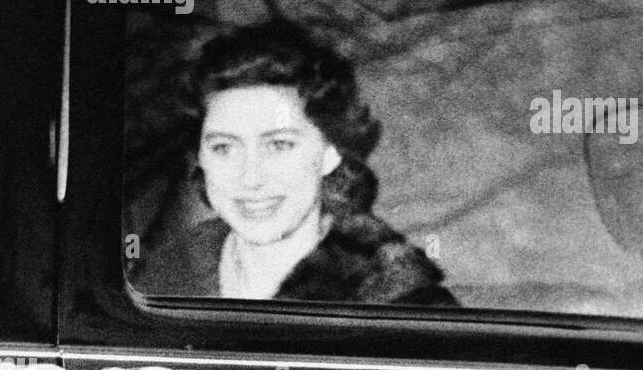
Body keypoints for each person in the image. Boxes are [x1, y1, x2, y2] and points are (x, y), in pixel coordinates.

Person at [135, 19, 455, 306]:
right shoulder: (157, 280)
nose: (250, 178)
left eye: (279, 144)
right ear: (200, 157)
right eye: (223, 147)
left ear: (331, 152)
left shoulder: (401, 305)